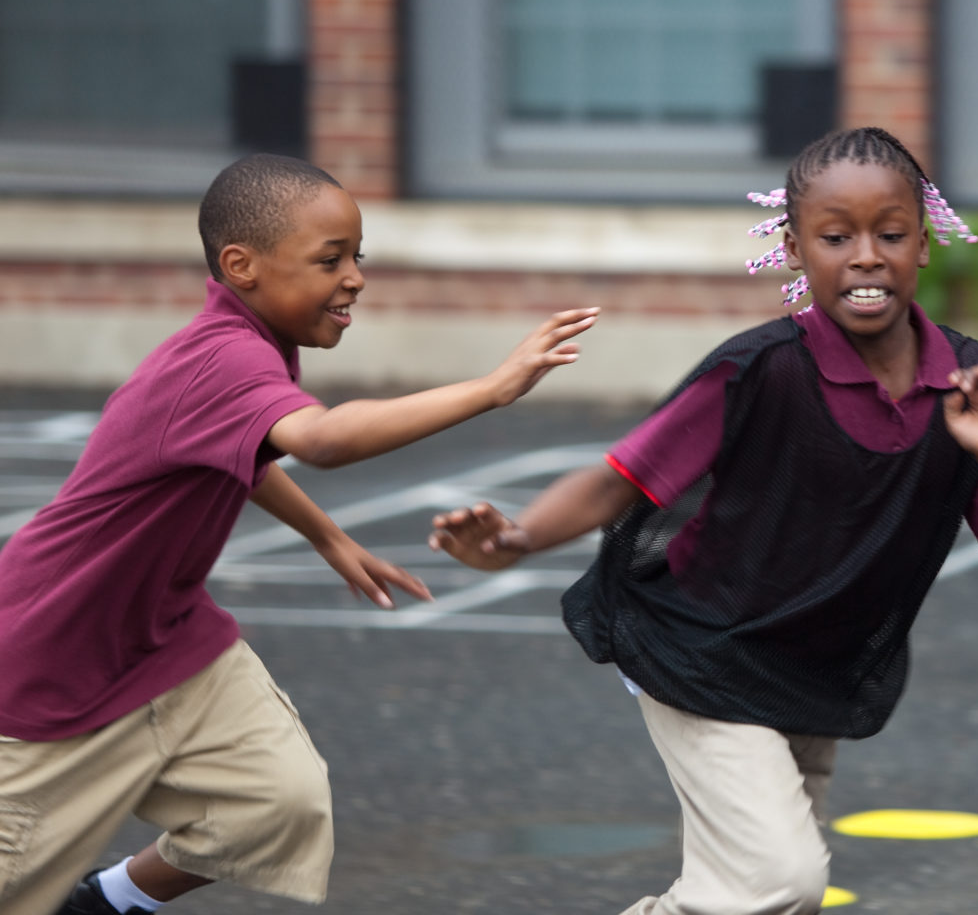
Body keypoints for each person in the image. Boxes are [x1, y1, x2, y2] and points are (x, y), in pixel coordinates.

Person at [428, 127, 978, 915]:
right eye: (835, 237)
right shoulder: (757, 371)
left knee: (756, 900)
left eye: (890, 234)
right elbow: (617, 479)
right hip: (703, 652)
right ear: (794, 250)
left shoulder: (967, 391)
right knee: (777, 882)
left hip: (811, 666)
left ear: (923, 245)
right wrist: (516, 540)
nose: (865, 255)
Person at [0, 153, 598, 915]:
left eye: (358, 256)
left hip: (165, 638)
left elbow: (244, 457)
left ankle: (108, 903)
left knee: (276, 807)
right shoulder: (222, 358)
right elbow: (321, 441)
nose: (354, 277)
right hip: (52, 656)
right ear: (241, 265)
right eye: (330, 259)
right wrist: (492, 387)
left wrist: (325, 535)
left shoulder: (253, 341)